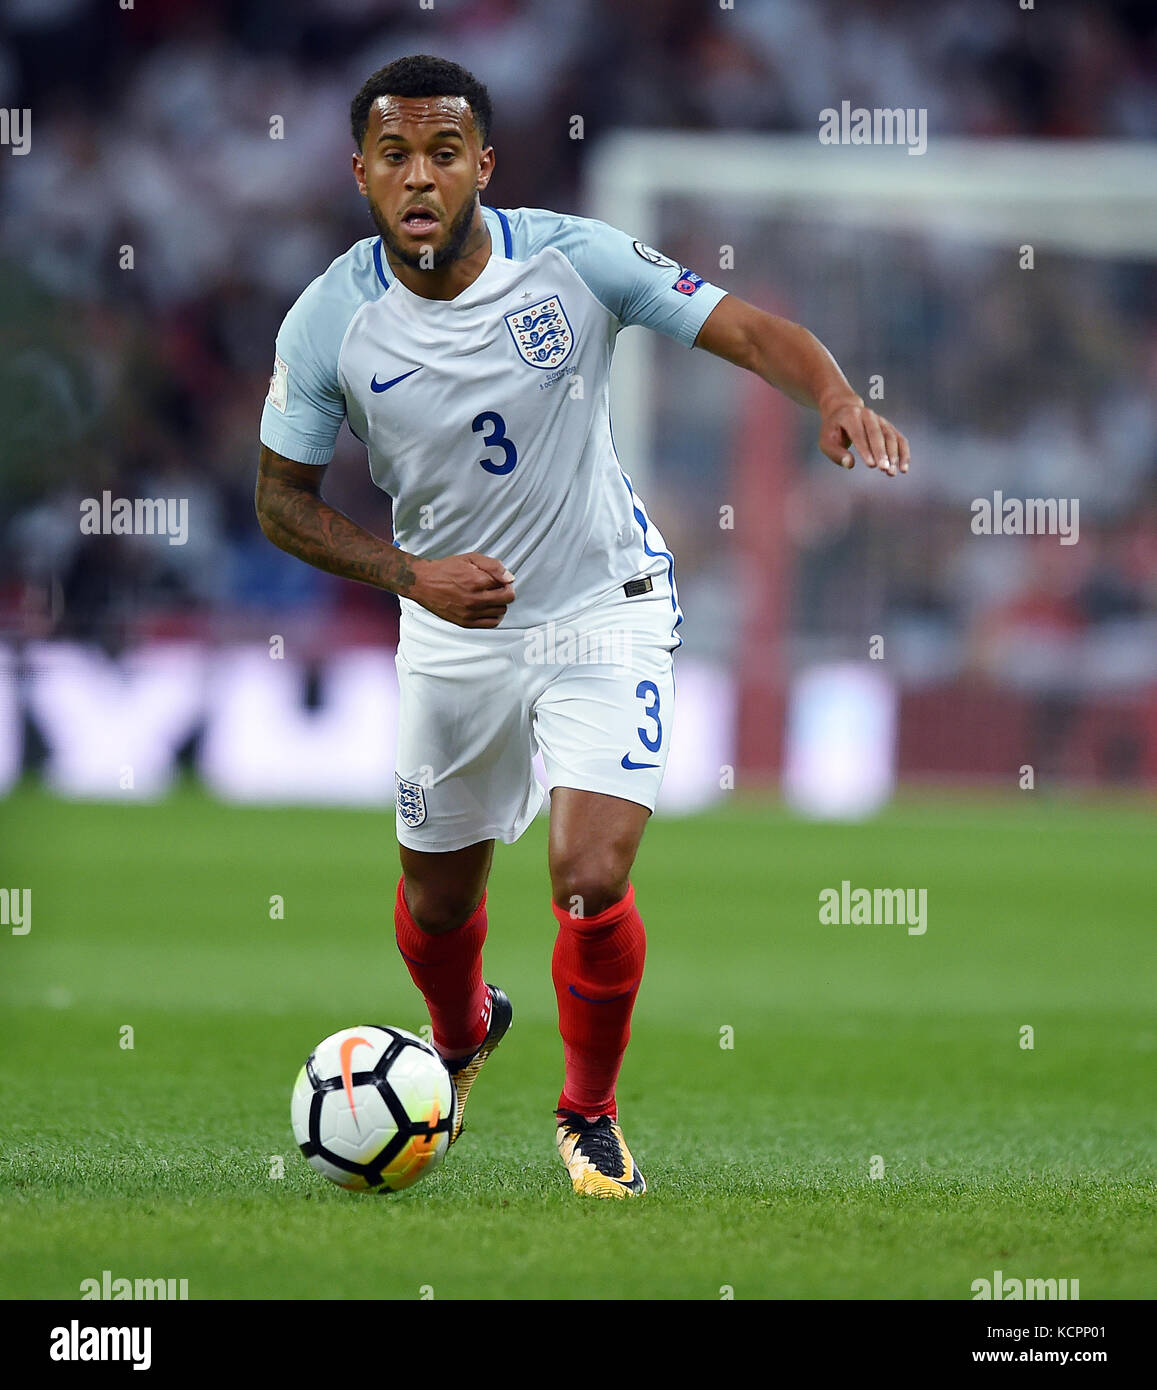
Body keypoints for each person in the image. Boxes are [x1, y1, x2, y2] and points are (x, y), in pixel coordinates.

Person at [255, 54, 910, 1199]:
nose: (420, 177)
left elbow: (752, 331)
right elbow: (279, 504)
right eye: (396, 156)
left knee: (587, 876)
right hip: (453, 630)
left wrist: (835, 393)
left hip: (601, 608)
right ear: (359, 172)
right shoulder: (327, 324)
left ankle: (587, 1114)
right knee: (435, 902)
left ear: (482, 168)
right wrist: (413, 576)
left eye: (444, 154)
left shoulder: (575, 259)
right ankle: (459, 1033)